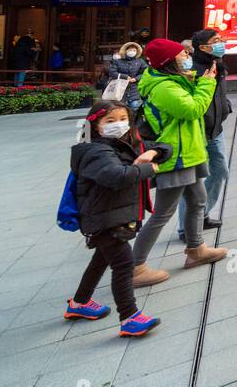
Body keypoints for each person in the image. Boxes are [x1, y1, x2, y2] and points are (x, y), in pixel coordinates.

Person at [64, 101, 168, 337]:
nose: (119, 124)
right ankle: (129, 317)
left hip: (110, 215)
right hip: (103, 218)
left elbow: (164, 147)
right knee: (123, 265)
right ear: (95, 125)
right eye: (110, 121)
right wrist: (150, 168)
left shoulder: (122, 144)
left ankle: (79, 304)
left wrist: (153, 152)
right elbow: (116, 176)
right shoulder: (96, 151)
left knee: (101, 260)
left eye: (123, 119)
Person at [131, 39, 228, 284]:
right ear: (168, 61)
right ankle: (134, 267)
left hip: (189, 151)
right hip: (175, 154)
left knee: (198, 200)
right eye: (182, 53)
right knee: (164, 211)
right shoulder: (164, 87)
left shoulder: (175, 81)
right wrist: (207, 83)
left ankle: (196, 249)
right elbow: (193, 109)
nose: (187, 56)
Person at [177, 30, 231, 242]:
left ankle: (202, 213)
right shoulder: (192, 70)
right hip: (196, 131)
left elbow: (219, 94)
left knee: (220, 172)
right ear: (202, 47)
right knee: (193, 182)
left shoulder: (218, 65)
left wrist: (225, 107)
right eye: (215, 41)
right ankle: (185, 228)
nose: (221, 44)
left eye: (221, 40)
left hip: (216, 129)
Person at [107, 41, 147, 112]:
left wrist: (136, 78)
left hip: (134, 90)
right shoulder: (117, 61)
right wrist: (125, 77)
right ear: (125, 51)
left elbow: (145, 72)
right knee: (120, 109)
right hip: (119, 90)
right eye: (130, 50)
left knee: (135, 108)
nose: (132, 51)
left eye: (134, 50)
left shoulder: (140, 61)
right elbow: (112, 72)